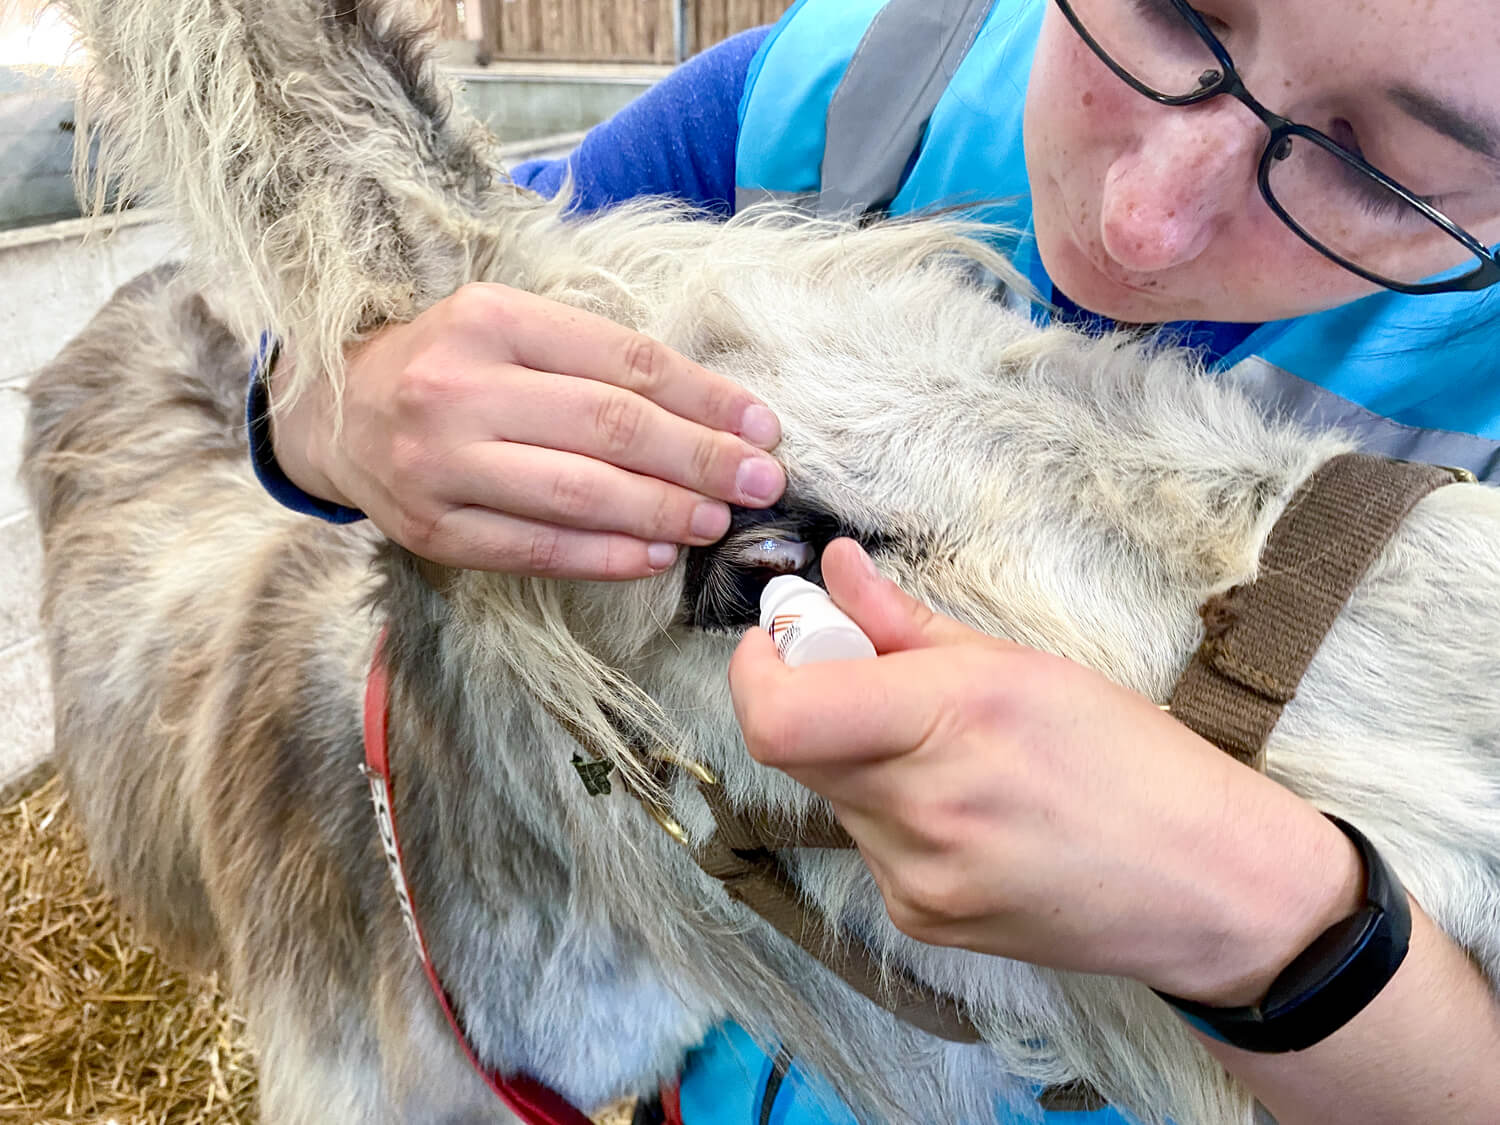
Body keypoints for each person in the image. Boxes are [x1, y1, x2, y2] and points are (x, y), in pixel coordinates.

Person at [251, 0, 1500, 1121]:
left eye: (1386, 168)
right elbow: (395, 332)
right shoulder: (834, 95)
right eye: (1176, 16)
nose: (1145, 220)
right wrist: (335, 419)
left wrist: (1274, 924)